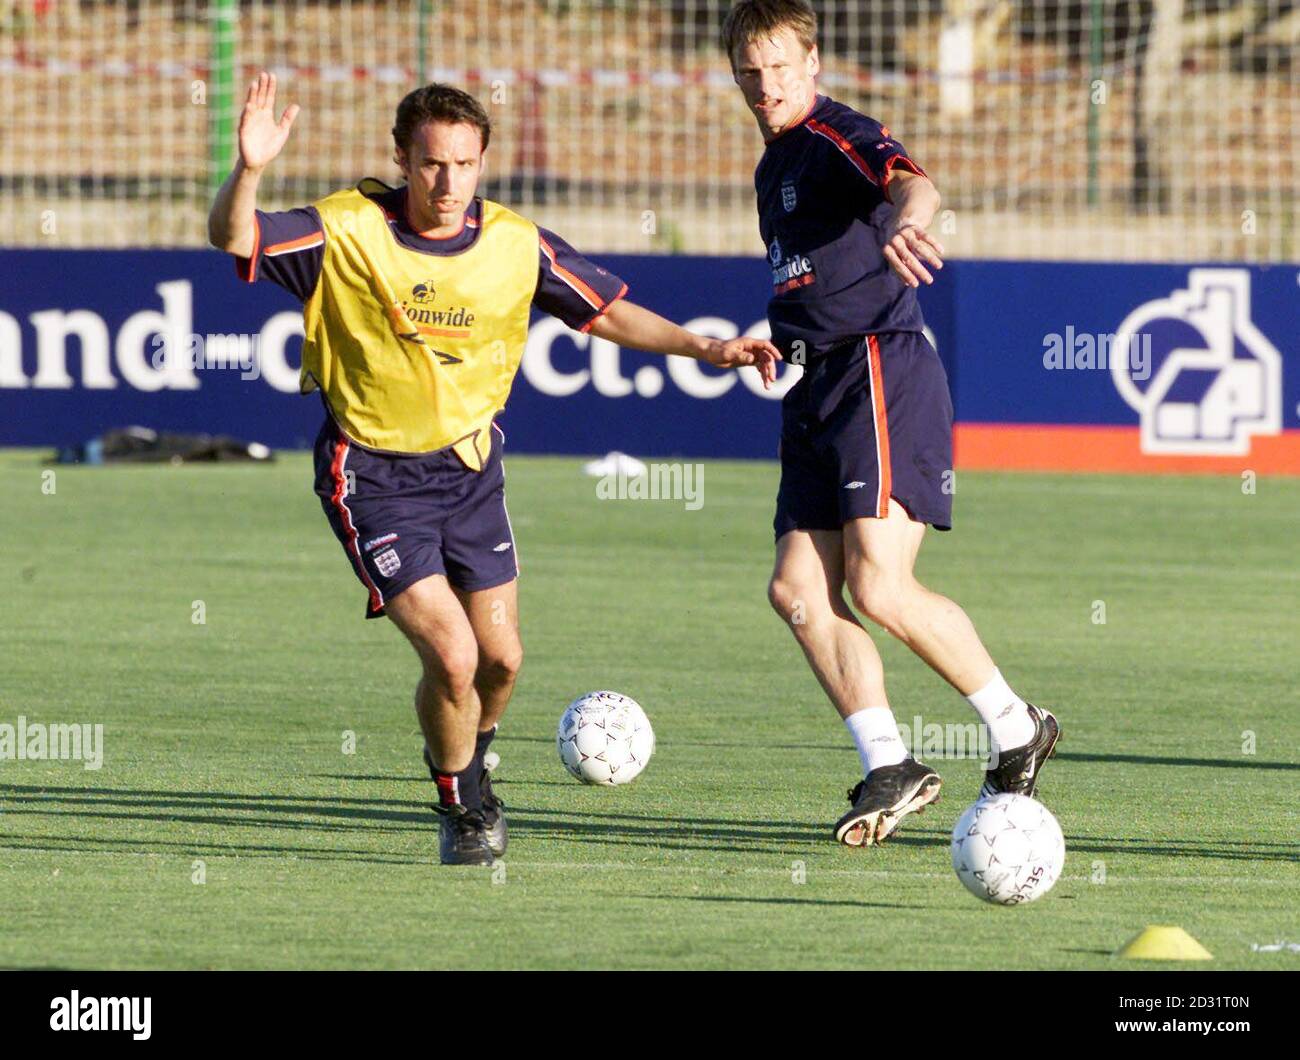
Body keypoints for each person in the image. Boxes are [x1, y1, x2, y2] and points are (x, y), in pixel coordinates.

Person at [208, 73, 781, 865]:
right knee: (453, 657)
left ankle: (471, 757)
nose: (448, 183)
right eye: (433, 164)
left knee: (501, 662)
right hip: (371, 476)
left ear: (484, 162)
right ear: (403, 158)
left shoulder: (515, 243)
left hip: (470, 472)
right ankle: (459, 803)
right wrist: (250, 170)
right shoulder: (346, 231)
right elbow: (234, 238)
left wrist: (706, 346)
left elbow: (605, 309)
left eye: (465, 165)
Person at [722, 0, 1060, 846]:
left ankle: (1018, 726)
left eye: (781, 67)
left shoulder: (838, 135)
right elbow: (812, 276)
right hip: (813, 383)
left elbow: (914, 182)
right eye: (750, 71)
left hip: (877, 367)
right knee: (797, 593)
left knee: (878, 584)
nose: (766, 85)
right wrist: (780, 338)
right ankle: (891, 764)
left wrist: (912, 220)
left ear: (813, 63)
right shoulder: (773, 166)